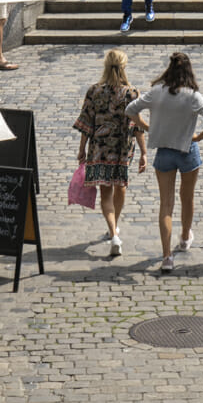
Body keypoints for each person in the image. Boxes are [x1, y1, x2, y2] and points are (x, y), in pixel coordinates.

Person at [126, 51, 203, 272]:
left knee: (165, 204)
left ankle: (167, 256)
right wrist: (198, 136)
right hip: (188, 150)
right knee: (187, 198)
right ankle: (185, 236)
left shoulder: (157, 92)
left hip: (165, 152)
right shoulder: (192, 95)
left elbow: (130, 110)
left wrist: (149, 127)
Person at [74, 48, 147, 256]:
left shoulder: (94, 91)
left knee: (105, 191)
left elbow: (86, 122)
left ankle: (113, 231)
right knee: (120, 186)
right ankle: (114, 227)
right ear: (124, 67)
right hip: (122, 148)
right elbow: (137, 126)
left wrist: (81, 150)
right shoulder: (132, 93)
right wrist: (143, 153)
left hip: (99, 148)